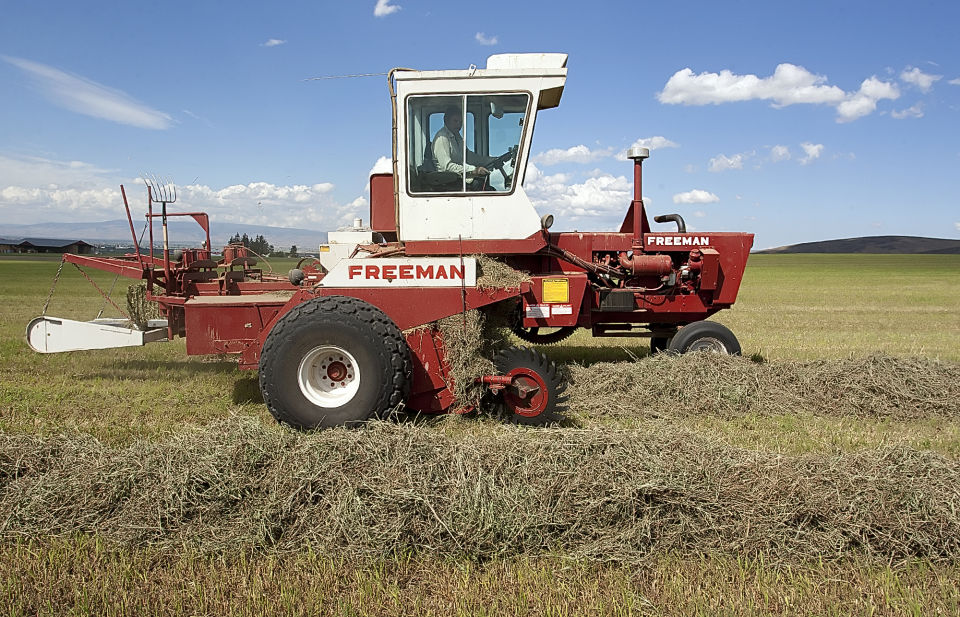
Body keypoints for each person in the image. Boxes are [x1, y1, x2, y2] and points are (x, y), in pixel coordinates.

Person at [431, 107, 493, 190]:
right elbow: (447, 167)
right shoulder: (442, 138)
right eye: (455, 121)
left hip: (459, 178)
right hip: (447, 182)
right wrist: (474, 170)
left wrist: (490, 160)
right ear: (446, 121)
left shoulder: (457, 137)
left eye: (461, 122)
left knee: (487, 187)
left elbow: (469, 156)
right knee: (481, 186)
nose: (458, 125)